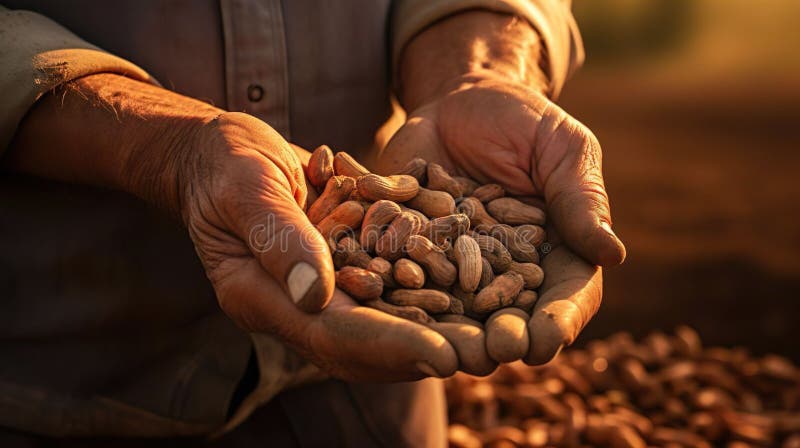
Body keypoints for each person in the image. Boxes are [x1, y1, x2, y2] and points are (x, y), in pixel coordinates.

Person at [0, 0, 625, 445]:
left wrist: (478, 71)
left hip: (372, 407)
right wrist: (170, 148)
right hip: (62, 383)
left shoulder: (408, 225)